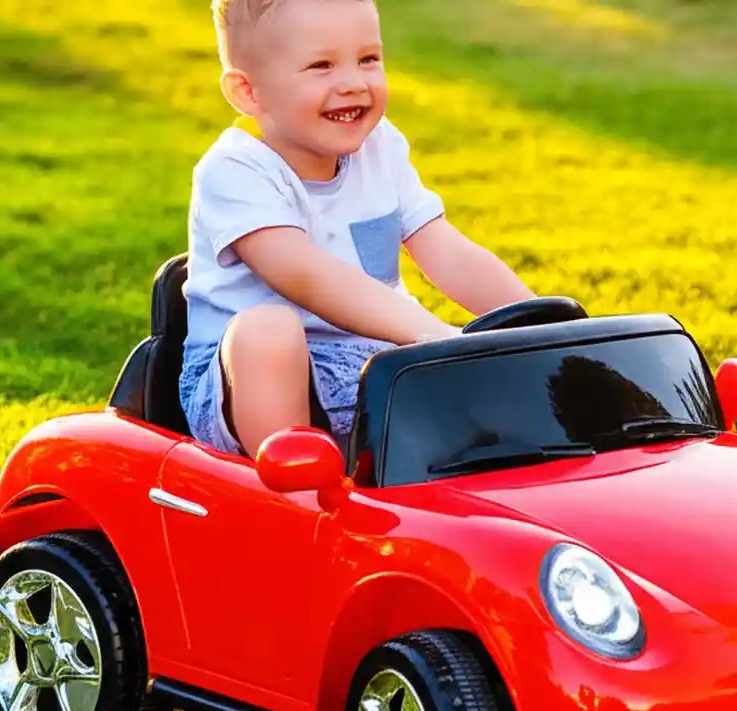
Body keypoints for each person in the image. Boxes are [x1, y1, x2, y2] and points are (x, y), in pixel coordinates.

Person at [179, 0, 536, 458]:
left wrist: (539, 323)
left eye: (368, 59)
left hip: (371, 361)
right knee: (268, 331)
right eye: (320, 65)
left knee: (499, 390)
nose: (353, 83)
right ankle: (296, 492)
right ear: (250, 92)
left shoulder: (380, 146)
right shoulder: (234, 171)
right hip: (245, 381)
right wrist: (433, 335)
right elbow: (308, 276)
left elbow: (448, 251)